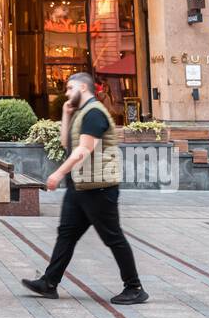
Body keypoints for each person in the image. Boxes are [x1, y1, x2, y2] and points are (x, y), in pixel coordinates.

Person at [22, 71, 148, 305]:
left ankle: (134, 287)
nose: (66, 93)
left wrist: (58, 173)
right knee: (66, 235)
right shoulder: (81, 113)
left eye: (69, 89)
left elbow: (84, 150)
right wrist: (65, 113)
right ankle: (49, 283)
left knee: (113, 237)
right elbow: (65, 144)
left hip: (98, 187)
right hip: (80, 187)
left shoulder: (94, 113)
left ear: (82, 88)